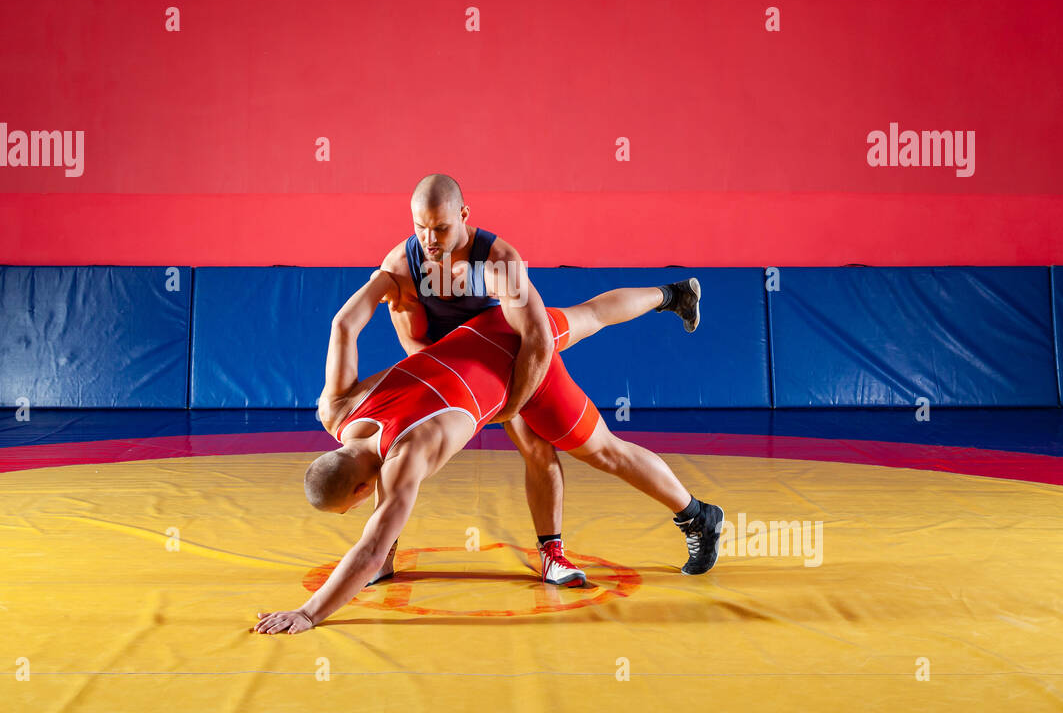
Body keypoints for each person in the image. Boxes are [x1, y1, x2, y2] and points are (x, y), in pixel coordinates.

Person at [252, 270, 722, 635]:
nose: (359, 506)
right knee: (591, 314)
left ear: (358, 488)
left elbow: (371, 549)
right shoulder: (336, 410)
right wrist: (379, 282)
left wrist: (309, 613)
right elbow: (342, 325)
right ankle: (673, 293)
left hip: (526, 370)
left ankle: (698, 515)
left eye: (353, 503)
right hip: (491, 328)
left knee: (605, 451)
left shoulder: (408, 454)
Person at [375, 173, 701, 585]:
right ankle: (381, 554)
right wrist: (467, 397)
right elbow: (418, 348)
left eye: (441, 227)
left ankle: (559, 553)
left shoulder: (498, 261)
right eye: (420, 227)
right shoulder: (402, 266)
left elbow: (537, 340)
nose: (430, 239)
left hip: (515, 357)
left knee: (560, 444)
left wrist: (509, 404)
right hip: (464, 369)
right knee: (399, 443)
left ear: (464, 214)